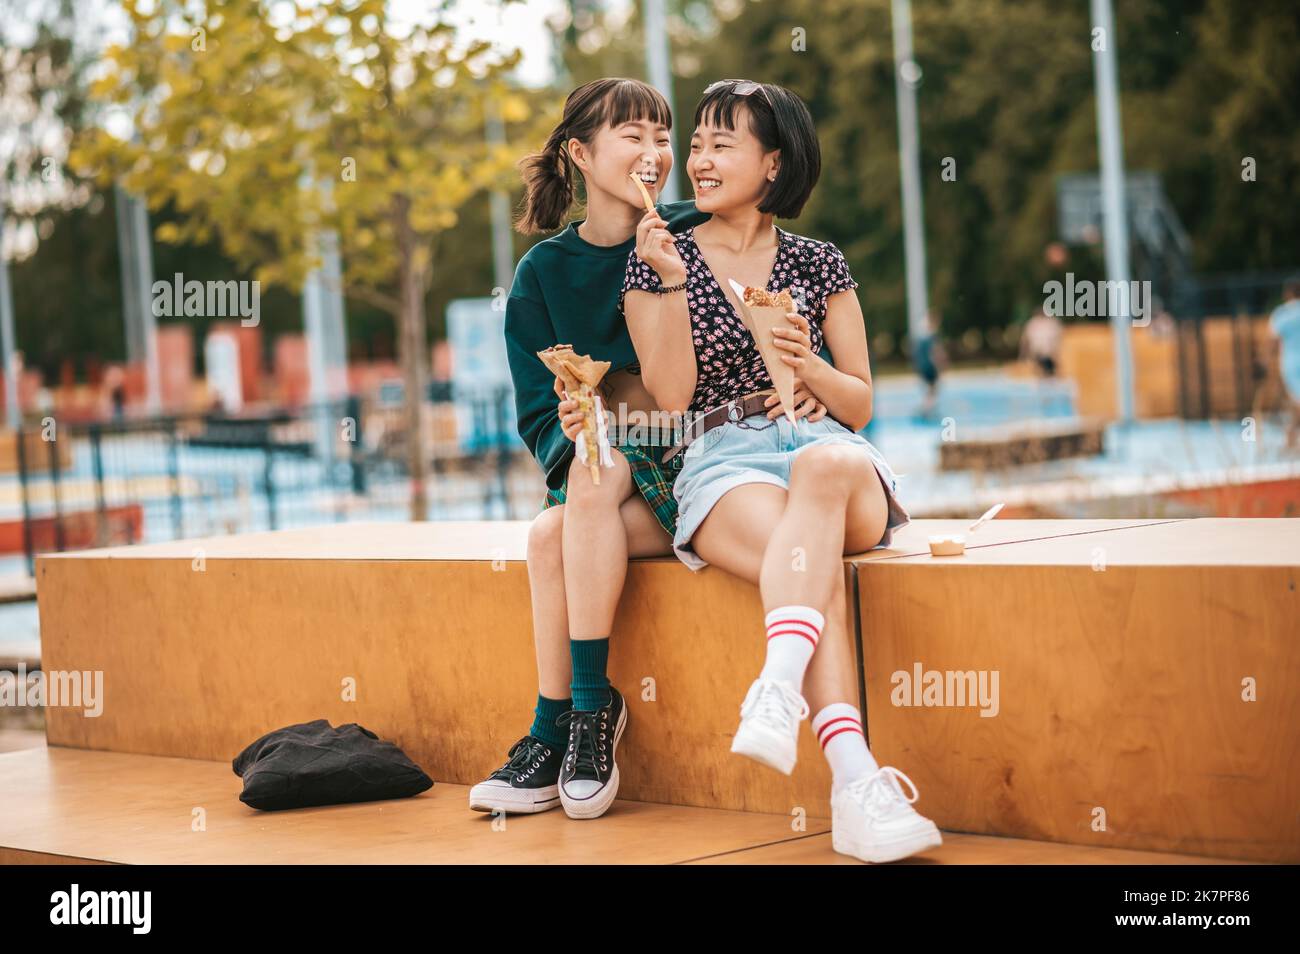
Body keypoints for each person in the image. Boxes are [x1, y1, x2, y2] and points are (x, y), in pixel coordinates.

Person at [471, 78, 828, 821]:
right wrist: (572, 424)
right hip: (611, 472)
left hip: (703, 461)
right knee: (571, 498)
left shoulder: (691, 234)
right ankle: (570, 724)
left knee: (554, 530)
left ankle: (576, 717)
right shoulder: (542, 274)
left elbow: (765, 309)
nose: (658, 153)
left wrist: (804, 376)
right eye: (634, 135)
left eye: (663, 136)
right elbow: (539, 416)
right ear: (580, 152)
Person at [621, 79, 942, 863]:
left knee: (827, 466)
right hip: (725, 457)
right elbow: (669, 398)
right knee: (812, 565)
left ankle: (778, 683)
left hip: (825, 447)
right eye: (695, 143)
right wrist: (665, 280)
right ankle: (854, 777)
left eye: (720, 144)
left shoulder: (817, 262)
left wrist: (807, 366)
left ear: (772, 163)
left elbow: (860, 403)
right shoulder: (657, 256)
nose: (697, 158)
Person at [1268, 278, 1300, 449]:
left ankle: (1290, 439)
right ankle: (1290, 438)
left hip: (1291, 364)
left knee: (1297, 401)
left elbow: (1273, 342)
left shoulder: (1281, 314)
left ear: (1287, 294)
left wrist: (1265, 363)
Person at [1019, 306, 1062, 378]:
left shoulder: (1052, 323)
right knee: (1039, 371)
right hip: (1037, 353)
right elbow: (1026, 339)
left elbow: (1057, 339)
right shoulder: (1033, 323)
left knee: (1048, 371)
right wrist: (1024, 353)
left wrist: (1055, 352)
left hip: (1048, 354)